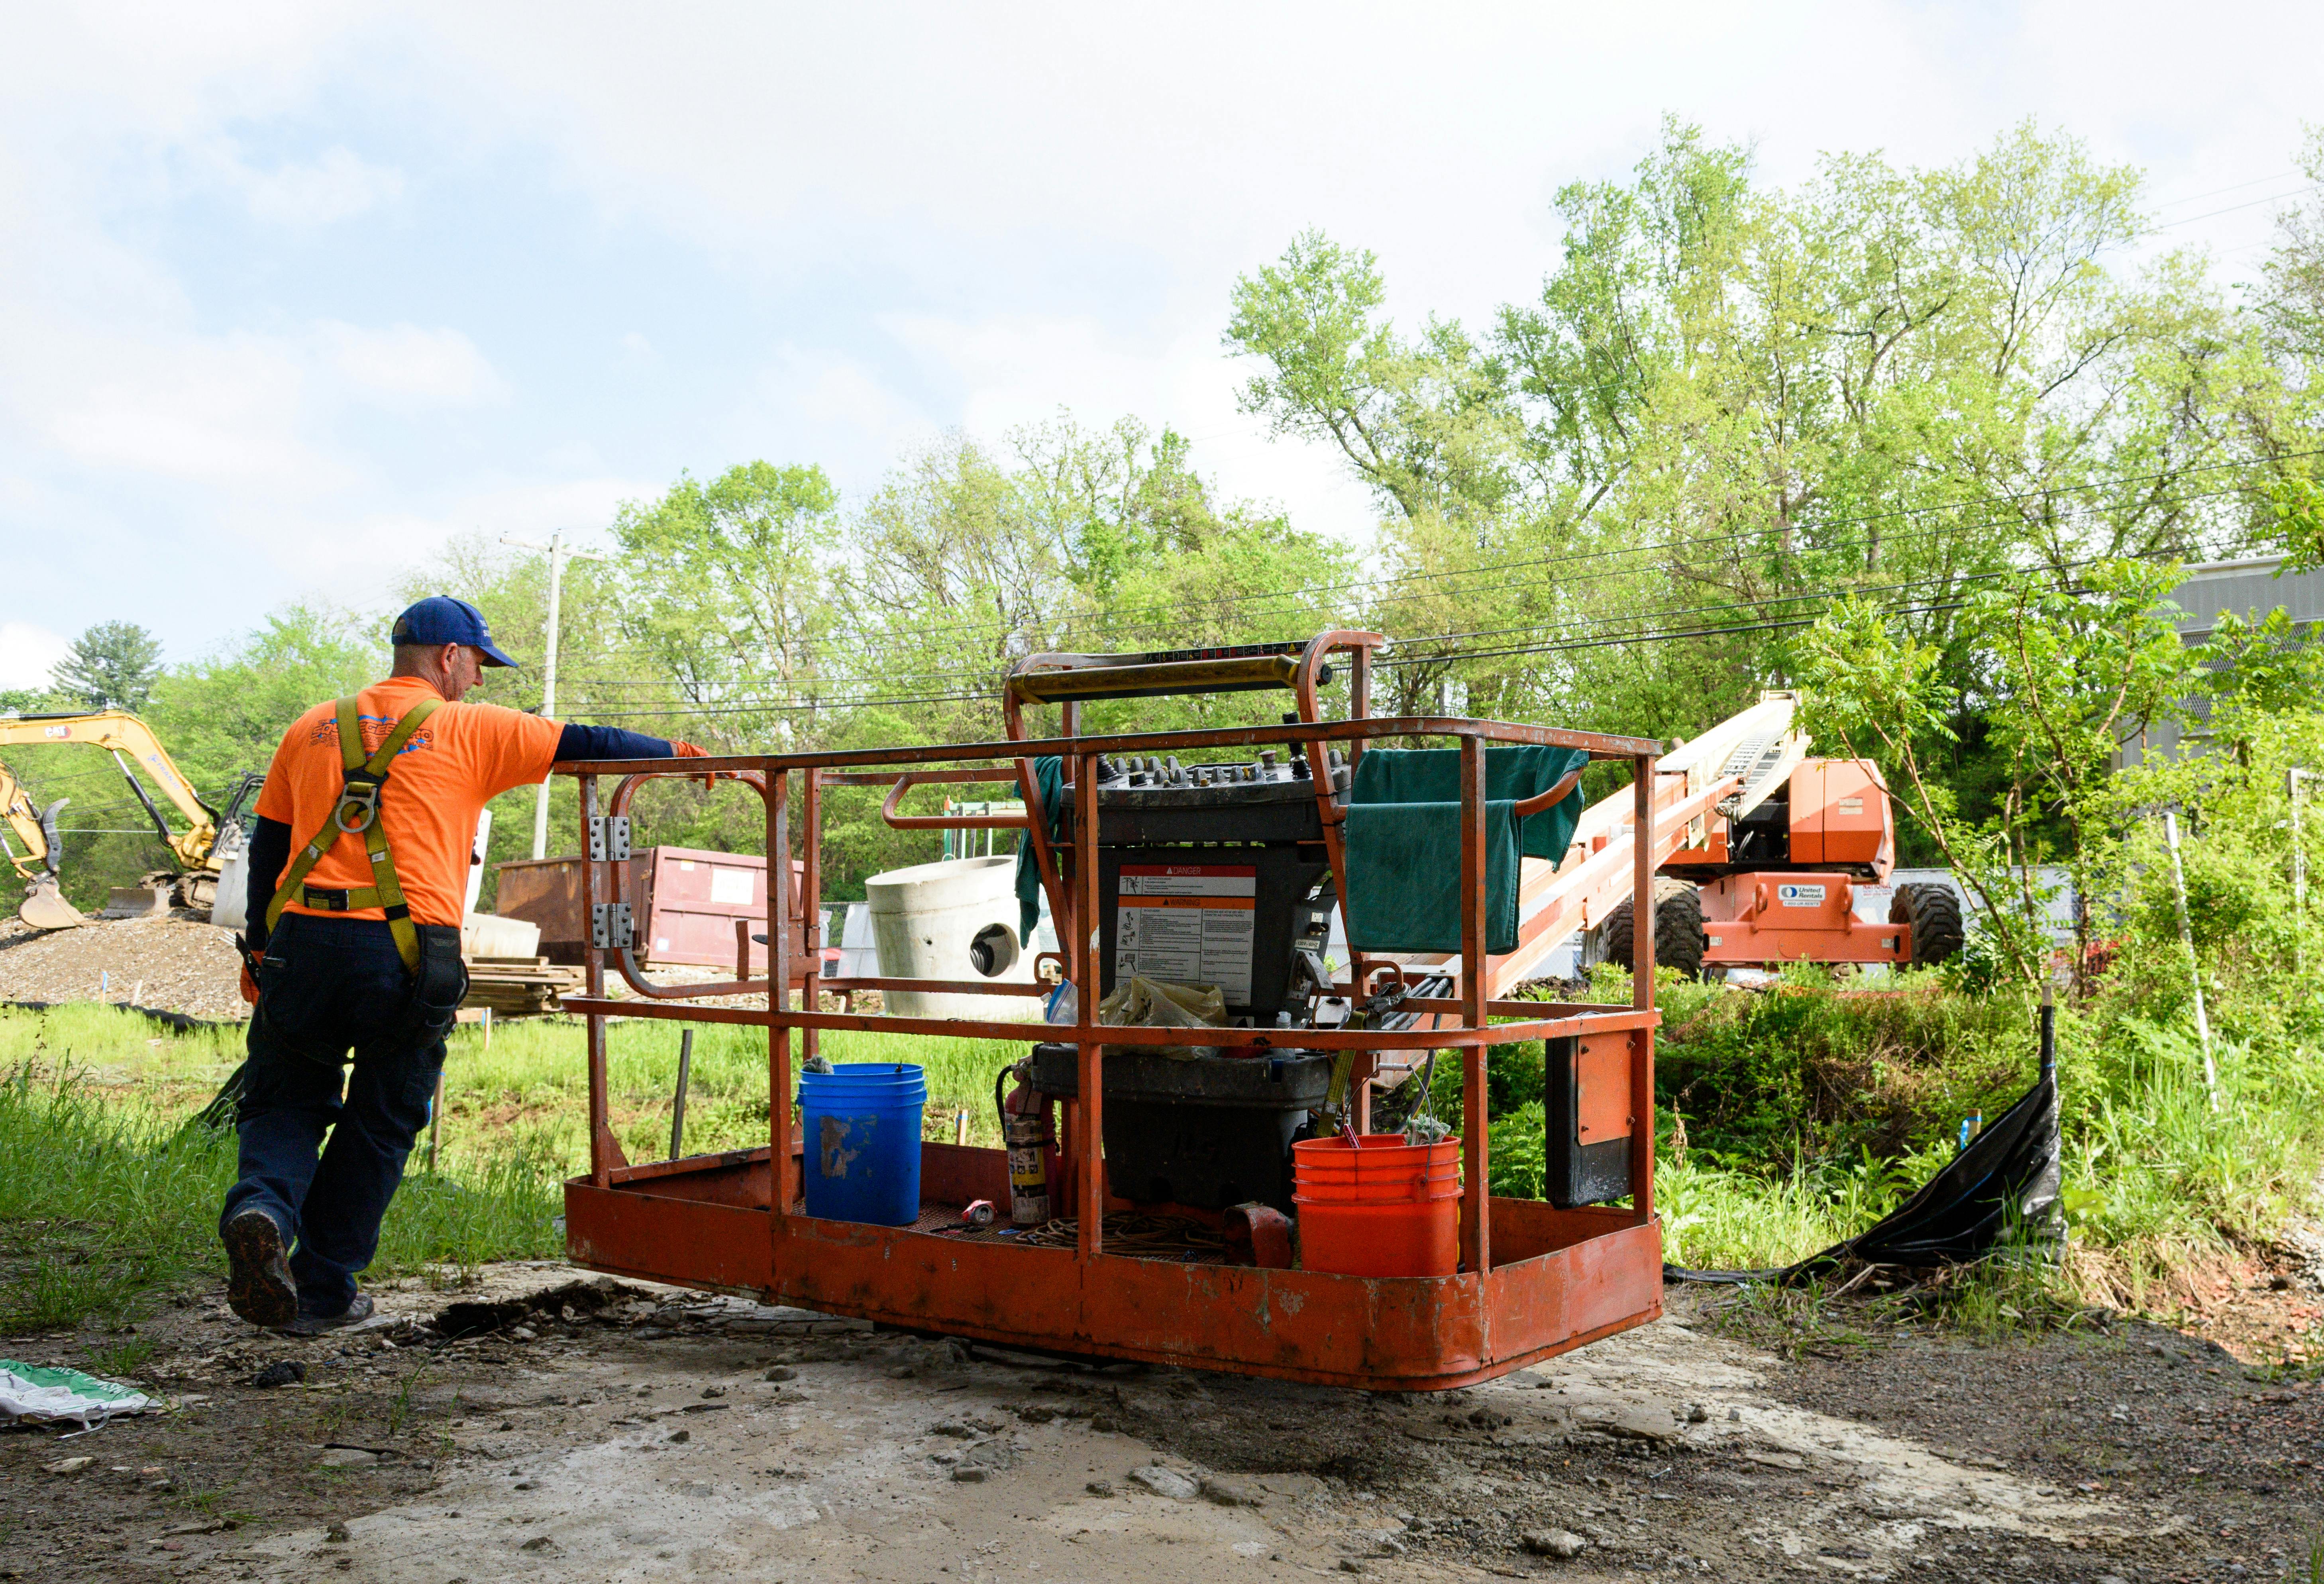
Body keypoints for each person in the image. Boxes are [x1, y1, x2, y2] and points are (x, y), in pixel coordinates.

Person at [219, 596, 706, 1333]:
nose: (480, 681)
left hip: (302, 943)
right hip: (408, 951)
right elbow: (590, 741)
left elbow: (267, 849)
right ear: (449, 656)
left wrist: (258, 948)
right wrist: (675, 755)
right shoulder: (470, 728)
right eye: (478, 664)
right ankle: (322, 1290)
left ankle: (261, 1208)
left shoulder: (310, 728)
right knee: (382, 1116)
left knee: (284, 1100)